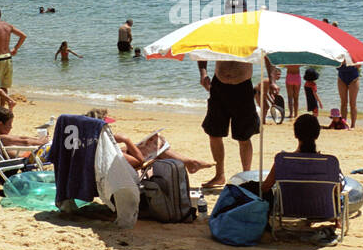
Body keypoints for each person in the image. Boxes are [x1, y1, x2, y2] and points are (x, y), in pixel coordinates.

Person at [82, 109, 215, 174]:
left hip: (113, 161)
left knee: (156, 143)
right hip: (120, 169)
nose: (110, 128)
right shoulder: (107, 151)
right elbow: (139, 162)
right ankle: (190, 163)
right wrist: (126, 140)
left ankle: (190, 163)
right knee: (157, 147)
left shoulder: (88, 143)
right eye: (107, 126)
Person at [197, 58, 260, 188]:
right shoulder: (220, 37)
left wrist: (272, 80)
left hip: (243, 86)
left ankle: (246, 176)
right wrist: (203, 73)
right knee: (214, 133)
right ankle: (219, 175)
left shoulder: (250, 37)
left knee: (244, 136)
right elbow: (203, 48)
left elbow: (265, 53)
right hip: (219, 84)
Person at [0, 6, 25, 108]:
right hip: (8, 57)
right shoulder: (8, 25)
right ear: (0, 15)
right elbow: (23, 36)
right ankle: (2, 108)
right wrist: (15, 48)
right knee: (3, 85)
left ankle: (10, 101)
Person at [337, 62, 361, 128]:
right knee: (343, 103)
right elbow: (336, 66)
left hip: (354, 78)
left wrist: (354, 64)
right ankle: (343, 124)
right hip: (341, 78)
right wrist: (342, 62)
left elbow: (359, 65)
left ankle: (353, 125)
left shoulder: (354, 54)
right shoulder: (339, 54)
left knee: (352, 103)